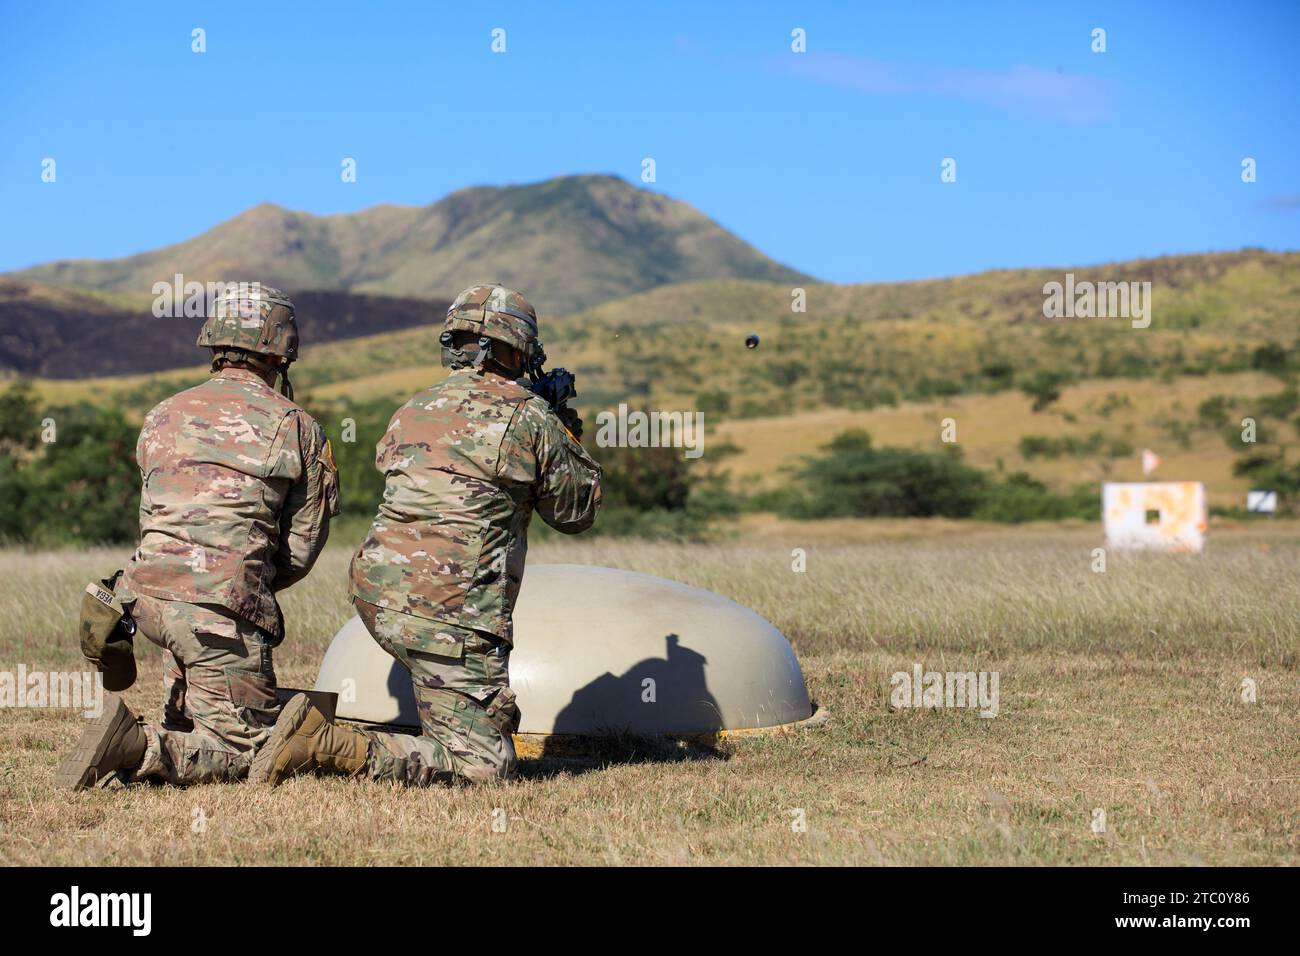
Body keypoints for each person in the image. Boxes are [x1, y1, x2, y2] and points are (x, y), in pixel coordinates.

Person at [253, 284, 601, 786]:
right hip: (450, 612)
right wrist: (565, 431)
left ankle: (460, 722)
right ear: (514, 347)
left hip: (378, 595)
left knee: (479, 717)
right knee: (484, 767)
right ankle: (324, 743)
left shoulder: (414, 408)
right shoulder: (530, 417)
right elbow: (575, 512)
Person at [55, 284, 339, 789]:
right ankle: (138, 746)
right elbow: (302, 545)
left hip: (144, 599)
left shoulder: (163, 414)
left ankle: (177, 721)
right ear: (281, 349)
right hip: (217, 609)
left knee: (195, 716)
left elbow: (152, 514)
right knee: (252, 753)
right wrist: (245, 584)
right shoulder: (295, 426)